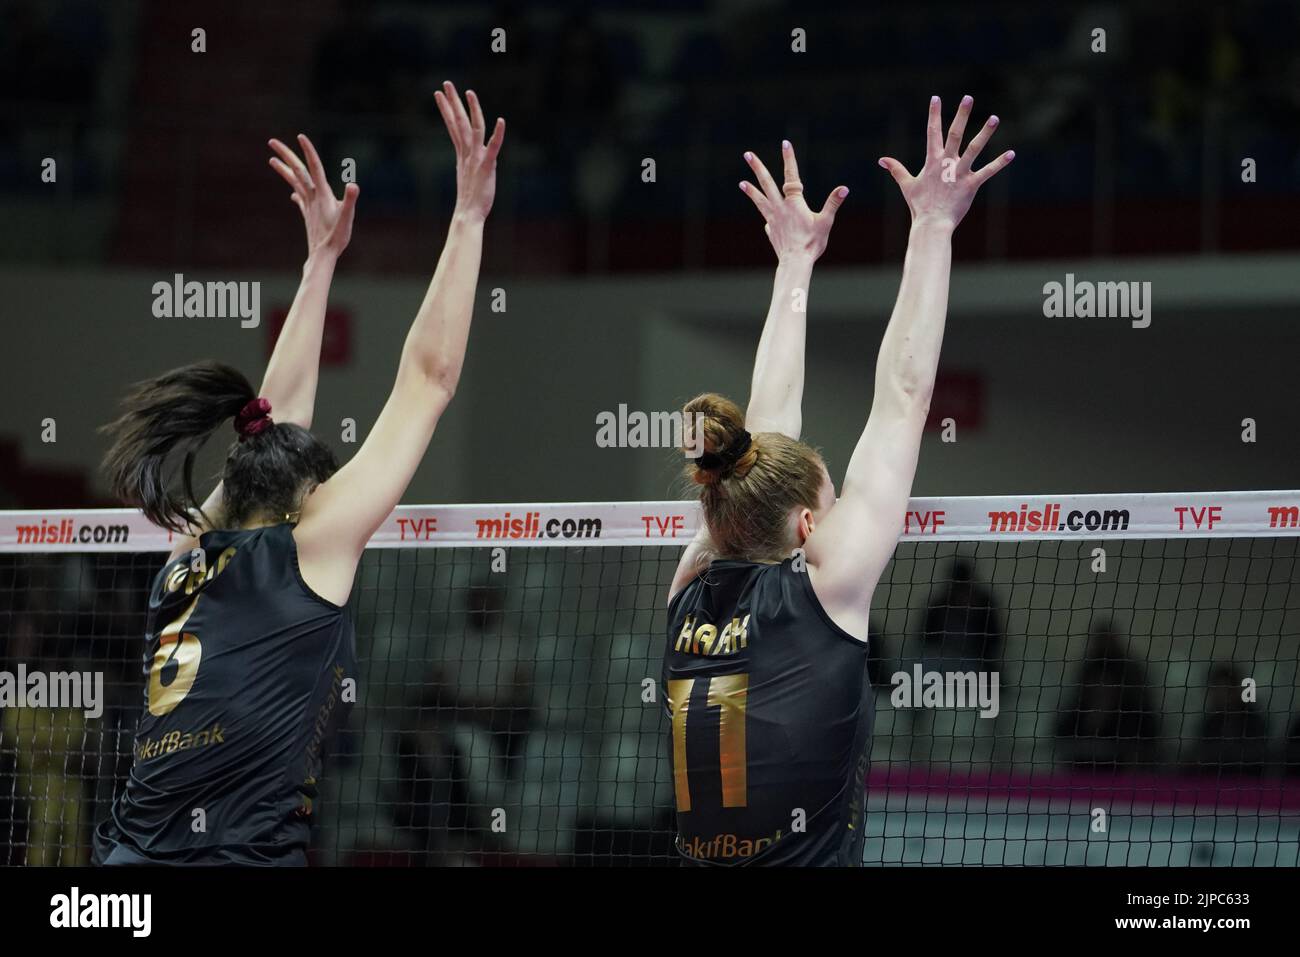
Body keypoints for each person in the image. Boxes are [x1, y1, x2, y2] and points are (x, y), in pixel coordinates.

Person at [91, 83, 504, 865]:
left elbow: (270, 416)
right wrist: (468, 217)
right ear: (306, 499)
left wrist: (319, 261)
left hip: (125, 869)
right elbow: (429, 380)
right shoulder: (309, 549)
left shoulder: (187, 553)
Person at [663, 96, 1013, 866]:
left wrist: (794, 265)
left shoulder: (689, 581)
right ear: (808, 531)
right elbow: (902, 399)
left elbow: (769, 425)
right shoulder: (827, 586)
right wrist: (932, 228)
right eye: (831, 496)